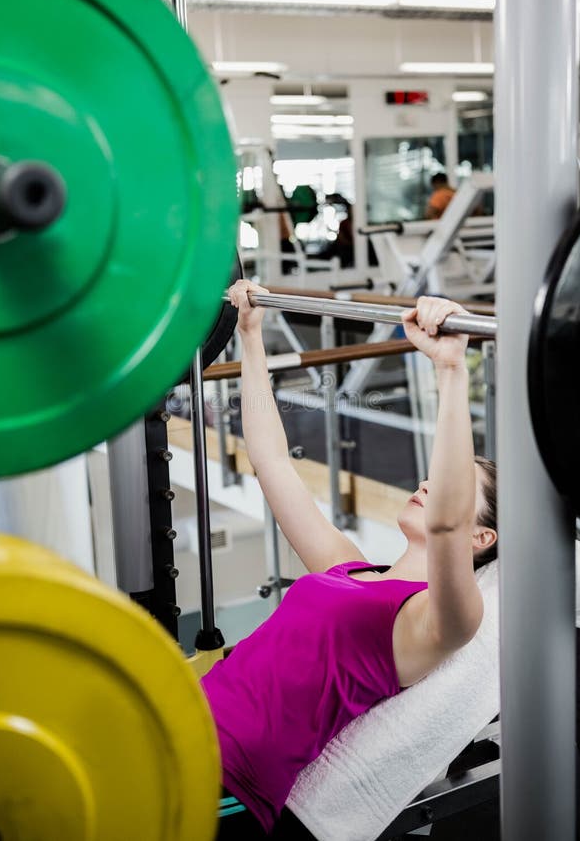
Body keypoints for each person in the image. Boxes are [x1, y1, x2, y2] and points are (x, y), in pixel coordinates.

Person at [202, 279, 498, 839]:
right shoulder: (346, 567)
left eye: (453, 485)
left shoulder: (438, 621)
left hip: (230, 781)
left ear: (479, 538)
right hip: (184, 720)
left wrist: (450, 370)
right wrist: (251, 334)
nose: (429, 483)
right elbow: (270, 460)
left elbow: (445, 519)